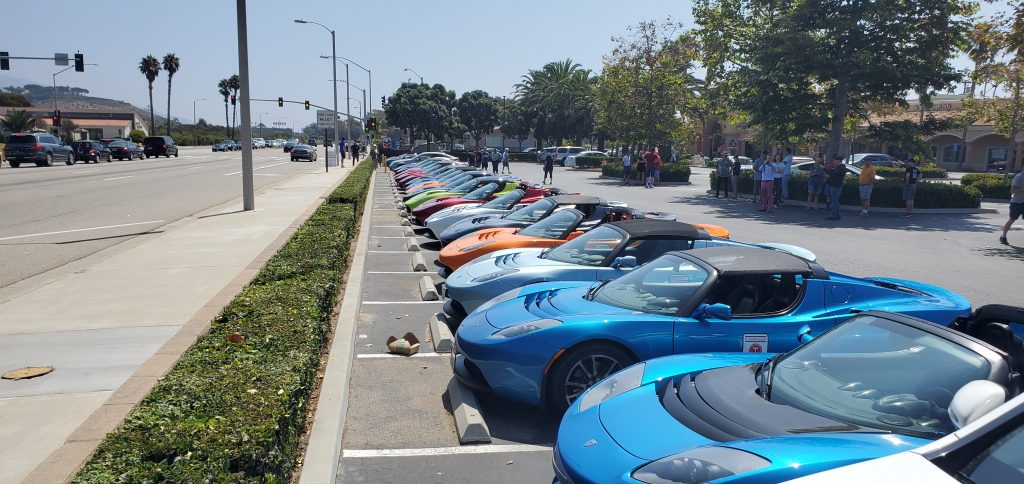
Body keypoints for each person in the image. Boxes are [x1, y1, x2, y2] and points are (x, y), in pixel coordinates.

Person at [1000, 169, 1024, 245]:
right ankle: (1003, 236)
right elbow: (1012, 190)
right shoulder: (1019, 177)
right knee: (1012, 219)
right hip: (1017, 202)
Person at [823, 154, 848, 220]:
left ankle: (834, 215)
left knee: (834, 201)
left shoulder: (841, 168)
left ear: (839, 161)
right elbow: (832, 173)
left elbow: (833, 175)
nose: (834, 162)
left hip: (836, 186)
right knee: (835, 201)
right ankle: (836, 215)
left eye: (835, 161)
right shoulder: (838, 168)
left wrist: (826, 171)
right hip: (835, 185)